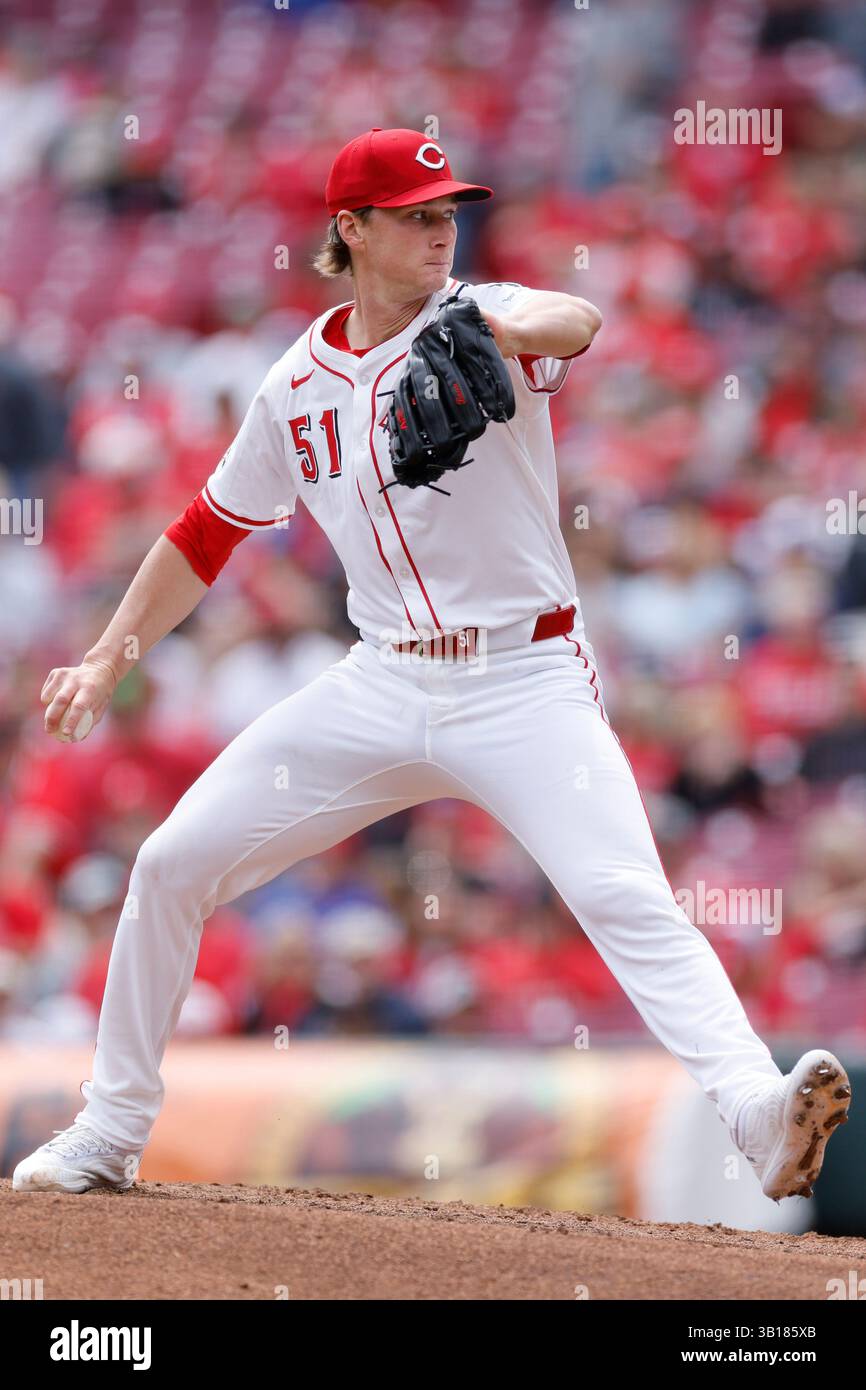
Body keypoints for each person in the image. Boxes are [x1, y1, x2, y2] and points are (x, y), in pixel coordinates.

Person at [13, 128, 850, 1201]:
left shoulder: (478, 313)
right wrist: (102, 657)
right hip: (381, 681)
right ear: (349, 230)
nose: (438, 229)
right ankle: (109, 1128)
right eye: (413, 215)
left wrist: (493, 319)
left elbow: (577, 321)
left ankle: (752, 1108)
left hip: (523, 678)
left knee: (617, 890)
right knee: (170, 863)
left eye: (446, 211)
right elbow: (206, 531)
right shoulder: (292, 387)